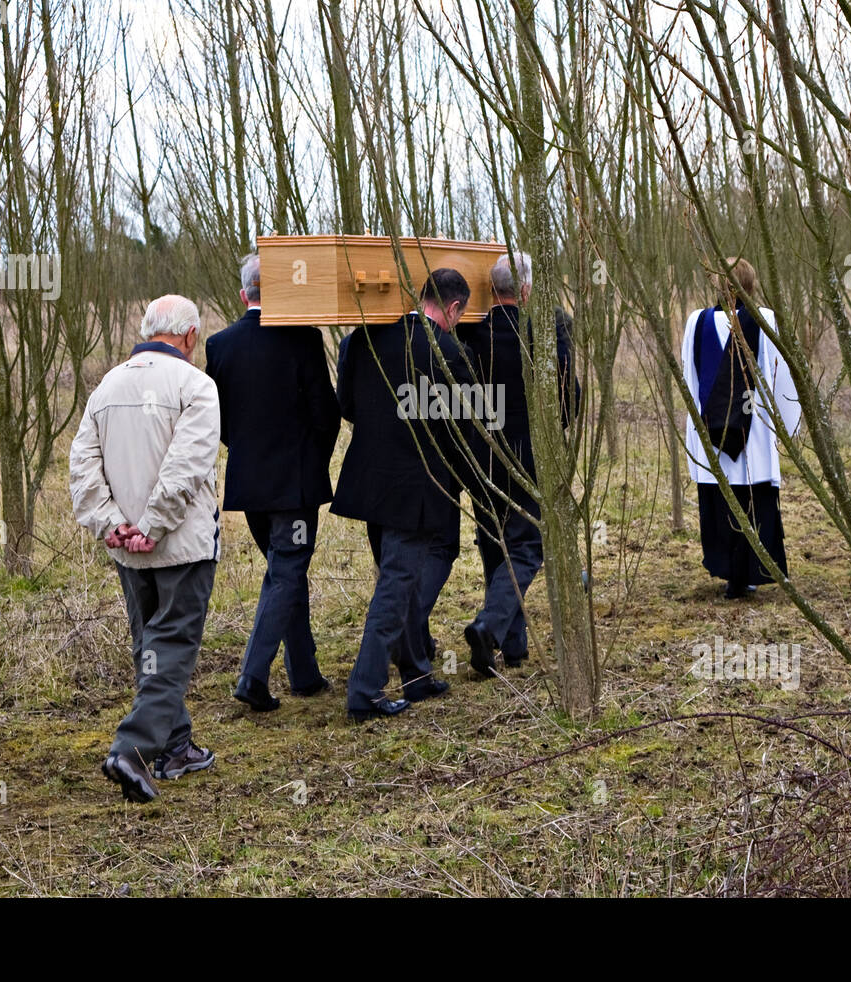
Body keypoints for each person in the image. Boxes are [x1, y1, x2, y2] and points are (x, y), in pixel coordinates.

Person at [70, 294, 221, 803]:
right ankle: (132, 751)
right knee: (173, 646)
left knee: (149, 644)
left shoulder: (106, 388)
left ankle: (176, 746)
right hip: (180, 544)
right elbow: (188, 466)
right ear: (189, 337)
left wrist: (112, 524)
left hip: (129, 547)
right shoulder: (196, 386)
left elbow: (82, 468)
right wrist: (152, 526)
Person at [331, 268, 476, 720]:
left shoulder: (363, 339)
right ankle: (365, 691)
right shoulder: (450, 352)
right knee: (394, 587)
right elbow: (460, 431)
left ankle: (415, 674)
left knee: (401, 580)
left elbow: (348, 407)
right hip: (417, 489)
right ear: (452, 308)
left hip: (370, 480)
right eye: (459, 315)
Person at [205, 253, 340, 712]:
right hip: (294, 489)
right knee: (286, 573)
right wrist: (311, 461)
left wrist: (246, 451)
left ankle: (303, 672)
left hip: (250, 486)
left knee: (286, 573)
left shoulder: (219, 345)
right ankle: (253, 676)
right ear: (282, 291)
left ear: (245, 295)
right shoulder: (303, 340)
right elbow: (327, 414)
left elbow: (217, 420)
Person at [458, 251, 579, 675]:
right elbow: (569, 393)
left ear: (492, 290)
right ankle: (490, 628)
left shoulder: (471, 335)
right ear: (526, 290)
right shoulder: (544, 332)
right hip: (530, 454)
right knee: (528, 546)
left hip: (482, 455)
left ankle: (512, 647)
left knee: (495, 543)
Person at [681, 257, 800, 599]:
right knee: (754, 502)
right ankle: (751, 572)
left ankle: (731, 574)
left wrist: (697, 426)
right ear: (750, 285)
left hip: (711, 434)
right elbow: (780, 375)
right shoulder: (766, 320)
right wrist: (785, 427)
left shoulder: (696, 322)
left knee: (721, 503)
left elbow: (690, 375)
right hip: (756, 433)